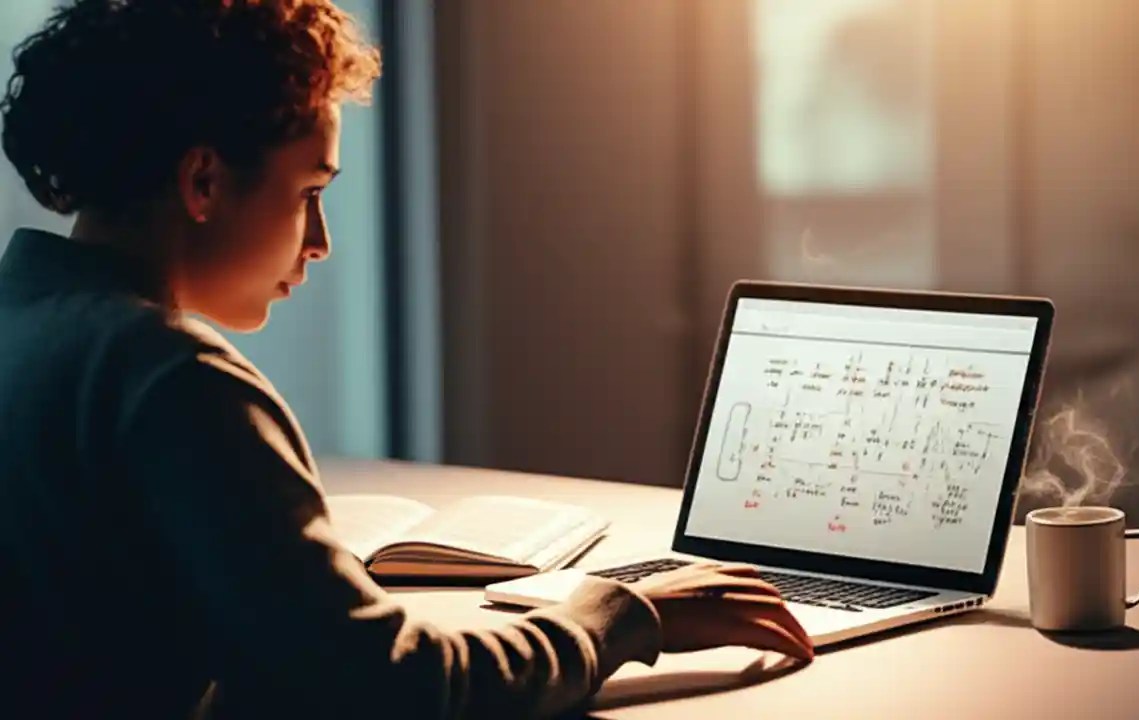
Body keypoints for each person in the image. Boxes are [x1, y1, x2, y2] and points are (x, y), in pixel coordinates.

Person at [0, 1, 813, 718]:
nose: (320, 245)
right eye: (309, 194)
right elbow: (388, 688)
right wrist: (620, 616)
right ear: (204, 180)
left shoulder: (28, 329)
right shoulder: (173, 378)